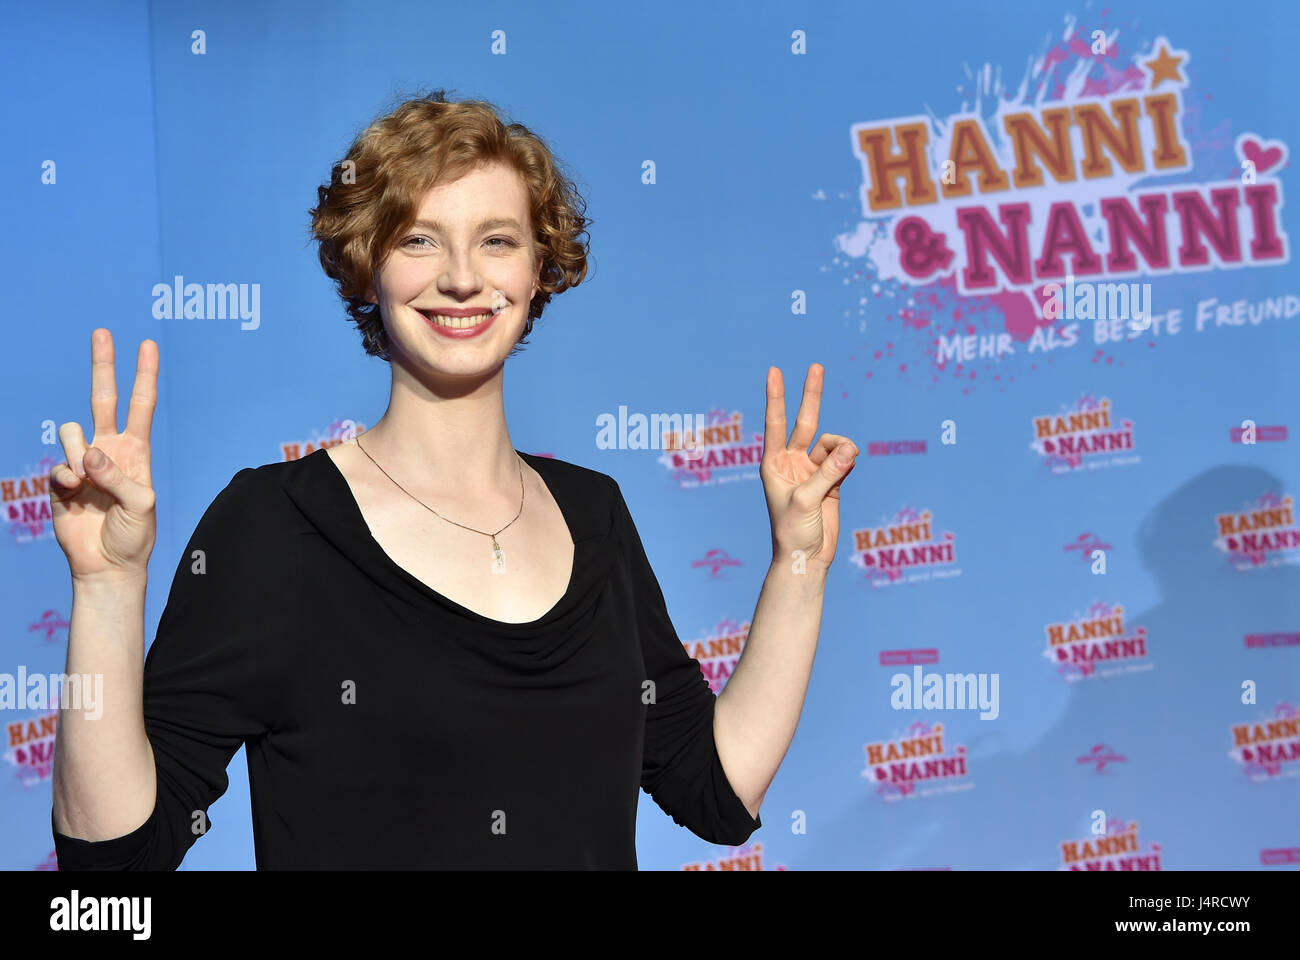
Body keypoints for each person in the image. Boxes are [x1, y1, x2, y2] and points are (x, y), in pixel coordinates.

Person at [47, 89, 859, 869]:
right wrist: (108, 586)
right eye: (419, 240)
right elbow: (115, 858)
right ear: (367, 268)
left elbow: (714, 789)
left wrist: (799, 564)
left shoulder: (594, 515)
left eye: (497, 240)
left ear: (540, 269)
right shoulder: (274, 528)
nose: (463, 277)